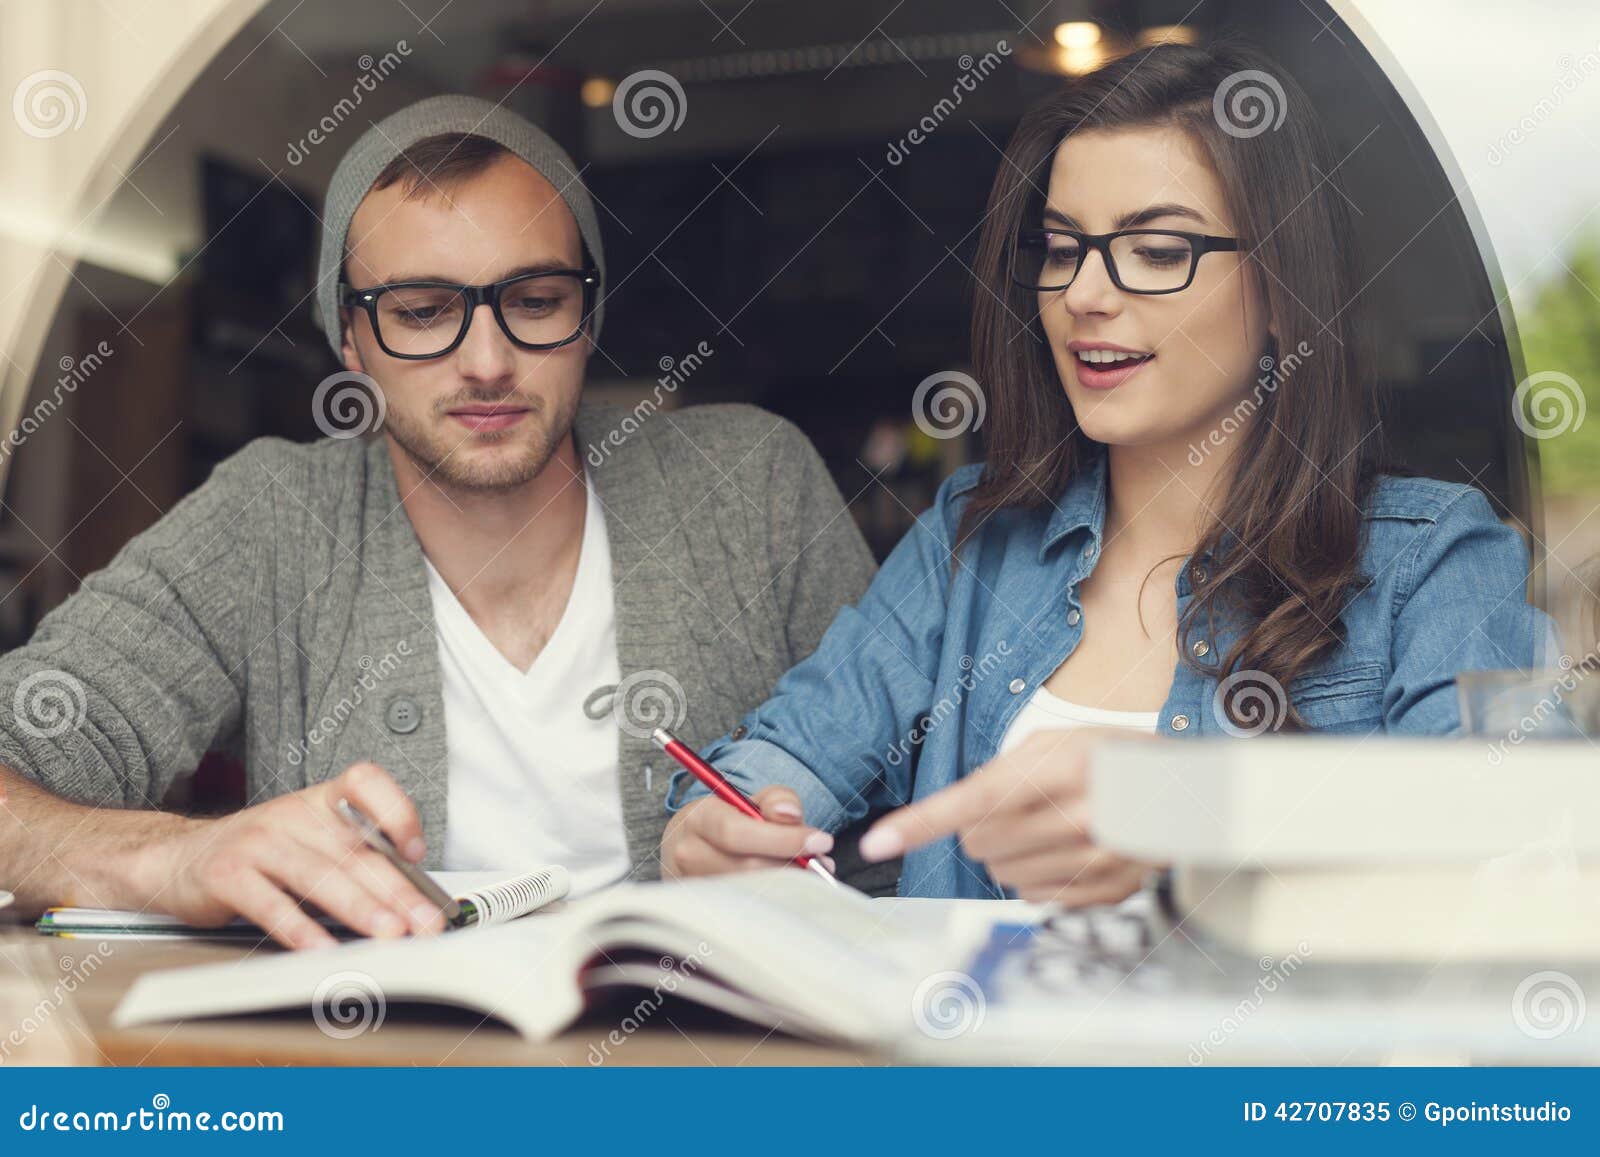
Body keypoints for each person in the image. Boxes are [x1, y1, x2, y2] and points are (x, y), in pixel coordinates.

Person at [660, 41, 1551, 902]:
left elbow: (1510, 852)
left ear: (1284, 291)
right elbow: (792, 757)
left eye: (1158, 251)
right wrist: (712, 825)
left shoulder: (1430, 559)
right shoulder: (972, 537)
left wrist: (1185, 818)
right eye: (1061, 249)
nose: (1085, 294)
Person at [0, 96, 875, 948]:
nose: (487, 363)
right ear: (350, 337)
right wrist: (178, 853)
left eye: (534, 301)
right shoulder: (272, 522)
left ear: (587, 314)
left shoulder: (751, 485)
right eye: (422, 312)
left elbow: (917, 806)